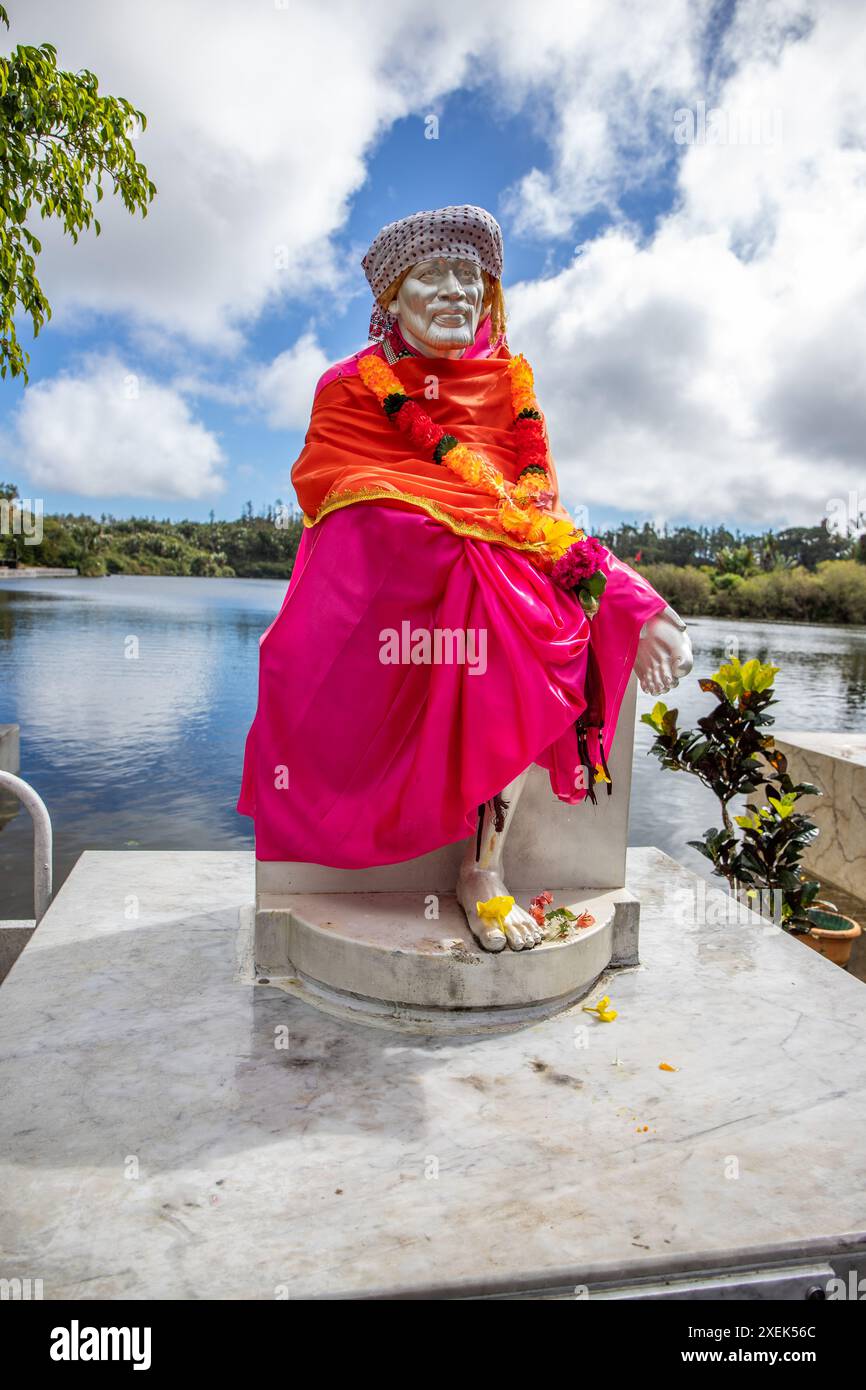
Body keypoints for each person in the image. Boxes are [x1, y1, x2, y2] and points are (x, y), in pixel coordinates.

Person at [237, 205, 692, 952]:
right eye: (432, 275)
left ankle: (483, 866)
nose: (456, 292)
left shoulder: (510, 389)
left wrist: (618, 592)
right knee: (477, 566)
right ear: (391, 298)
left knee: (523, 612)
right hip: (386, 597)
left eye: (471, 276)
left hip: (495, 600)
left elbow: (533, 517)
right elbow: (341, 494)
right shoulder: (351, 387)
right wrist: (461, 530)